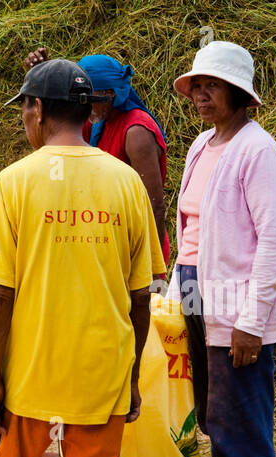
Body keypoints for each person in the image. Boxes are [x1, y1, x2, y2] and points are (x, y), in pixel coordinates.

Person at [0, 58, 157, 457]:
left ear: (37, 108)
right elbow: (140, 296)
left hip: (29, 382)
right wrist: (132, 377)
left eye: (23, 110)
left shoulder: (12, 183)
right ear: (86, 109)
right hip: (102, 380)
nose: (24, 119)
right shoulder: (127, 183)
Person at [166, 40, 276, 457]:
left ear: (239, 93)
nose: (200, 94)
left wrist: (252, 322)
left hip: (234, 305)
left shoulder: (258, 151)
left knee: (240, 423)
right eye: (196, 85)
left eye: (212, 85)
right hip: (194, 290)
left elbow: (275, 242)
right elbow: (190, 228)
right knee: (213, 415)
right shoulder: (201, 144)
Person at [25, 47, 169, 285]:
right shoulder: (95, 121)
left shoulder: (136, 132)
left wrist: (153, 272)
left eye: (89, 97)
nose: (85, 104)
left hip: (134, 248)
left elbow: (154, 207)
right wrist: (44, 74)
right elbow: (54, 133)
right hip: (103, 241)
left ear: (110, 94)